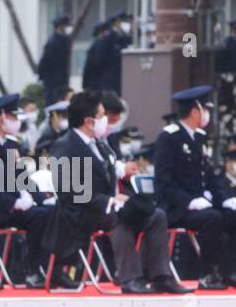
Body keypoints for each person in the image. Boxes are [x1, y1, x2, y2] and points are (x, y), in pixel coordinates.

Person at [46, 90, 189, 294]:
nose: (106, 120)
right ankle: (129, 278)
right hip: (79, 213)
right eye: (101, 116)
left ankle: (160, 275)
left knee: (155, 215)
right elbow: (70, 192)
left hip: (108, 206)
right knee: (120, 219)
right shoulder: (65, 147)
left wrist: (118, 195)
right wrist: (109, 200)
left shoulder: (99, 144)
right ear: (88, 121)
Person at [153, 85, 236, 289]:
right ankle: (207, 273)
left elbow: (210, 175)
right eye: (205, 109)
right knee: (213, 218)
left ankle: (233, 271)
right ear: (195, 111)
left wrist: (224, 197)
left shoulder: (199, 137)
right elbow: (164, 181)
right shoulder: (169, 137)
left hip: (202, 204)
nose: (207, 114)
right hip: (176, 208)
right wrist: (188, 201)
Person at [0, 93, 59, 288]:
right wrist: (11, 202)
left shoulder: (9, 144)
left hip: (15, 208)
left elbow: (22, 177)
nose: (17, 122)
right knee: (39, 217)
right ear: (1, 119)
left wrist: (42, 198)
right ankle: (33, 269)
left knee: (50, 212)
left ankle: (47, 269)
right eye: (13, 117)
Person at [37, 13, 74, 103]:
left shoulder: (64, 40)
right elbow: (45, 61)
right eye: (66, 26)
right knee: (53, 104)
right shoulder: (53, 41)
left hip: (62, 80)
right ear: (60, 26)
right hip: (53, 81)